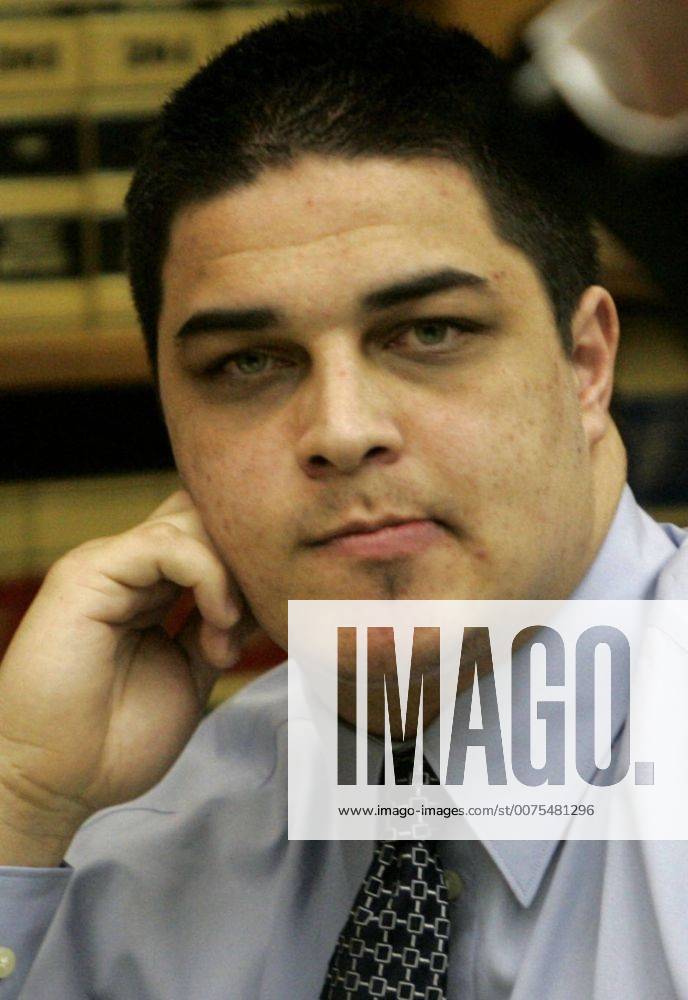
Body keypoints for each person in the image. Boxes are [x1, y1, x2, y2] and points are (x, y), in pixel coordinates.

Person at [0, 4, 686, 998]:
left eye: (429, 332)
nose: (341, 428)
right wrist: (18, 795)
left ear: (584, 364)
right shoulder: (119, 844)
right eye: (247, 362)